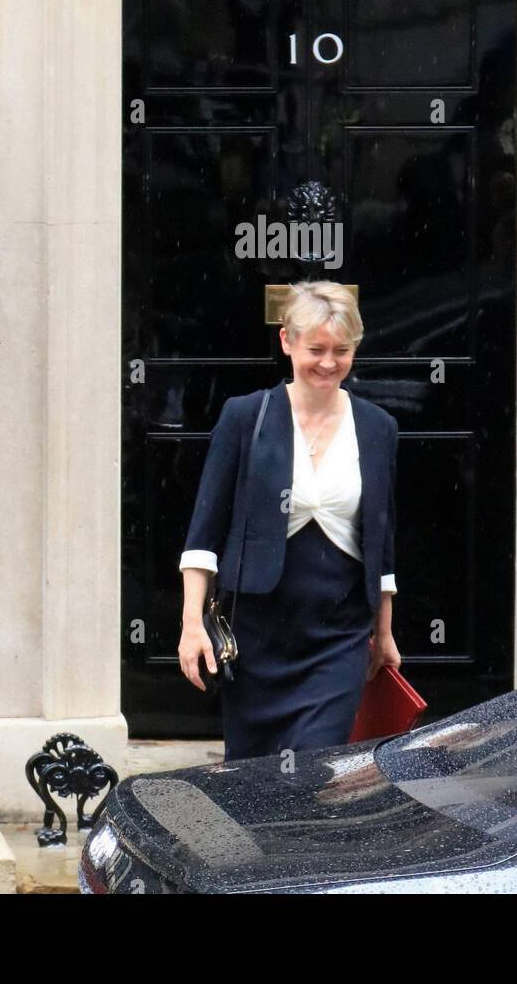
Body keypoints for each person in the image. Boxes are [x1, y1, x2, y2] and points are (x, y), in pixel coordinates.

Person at [177, 280, 401, 760]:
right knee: (252, 774)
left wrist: (383, 633)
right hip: (258, 637)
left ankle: (307, 839)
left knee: (313, 766)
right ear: (286, 342)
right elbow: (203, 536)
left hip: (338, 636)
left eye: (342, 350)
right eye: (315, 348)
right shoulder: (244, 417)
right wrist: (191, 624)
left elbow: (381, 543)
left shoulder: (378, 428)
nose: (328, 362)